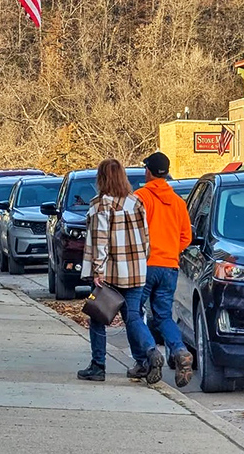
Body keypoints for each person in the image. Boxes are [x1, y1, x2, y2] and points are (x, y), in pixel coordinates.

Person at [78, 158, 164, 384]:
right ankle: (149, 354)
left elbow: (100, 240)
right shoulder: (136, 202)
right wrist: (141, 261)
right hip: (136, 270)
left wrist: (98, 270)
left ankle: (98, 366)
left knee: (98, 317)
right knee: (133, 315)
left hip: (110, 273)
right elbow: (146, 239)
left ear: (101, 178)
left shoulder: (100, 205)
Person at [134, 151, 194, 388]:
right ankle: (179, 351)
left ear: (148, 171)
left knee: (134, 312)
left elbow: (133, 232)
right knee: (163, 315)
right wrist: (171, 250)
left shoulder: (141, 197)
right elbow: (186, 237)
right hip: (169, 265)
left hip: (145, 265)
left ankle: (150, 354)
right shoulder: (178, 202)